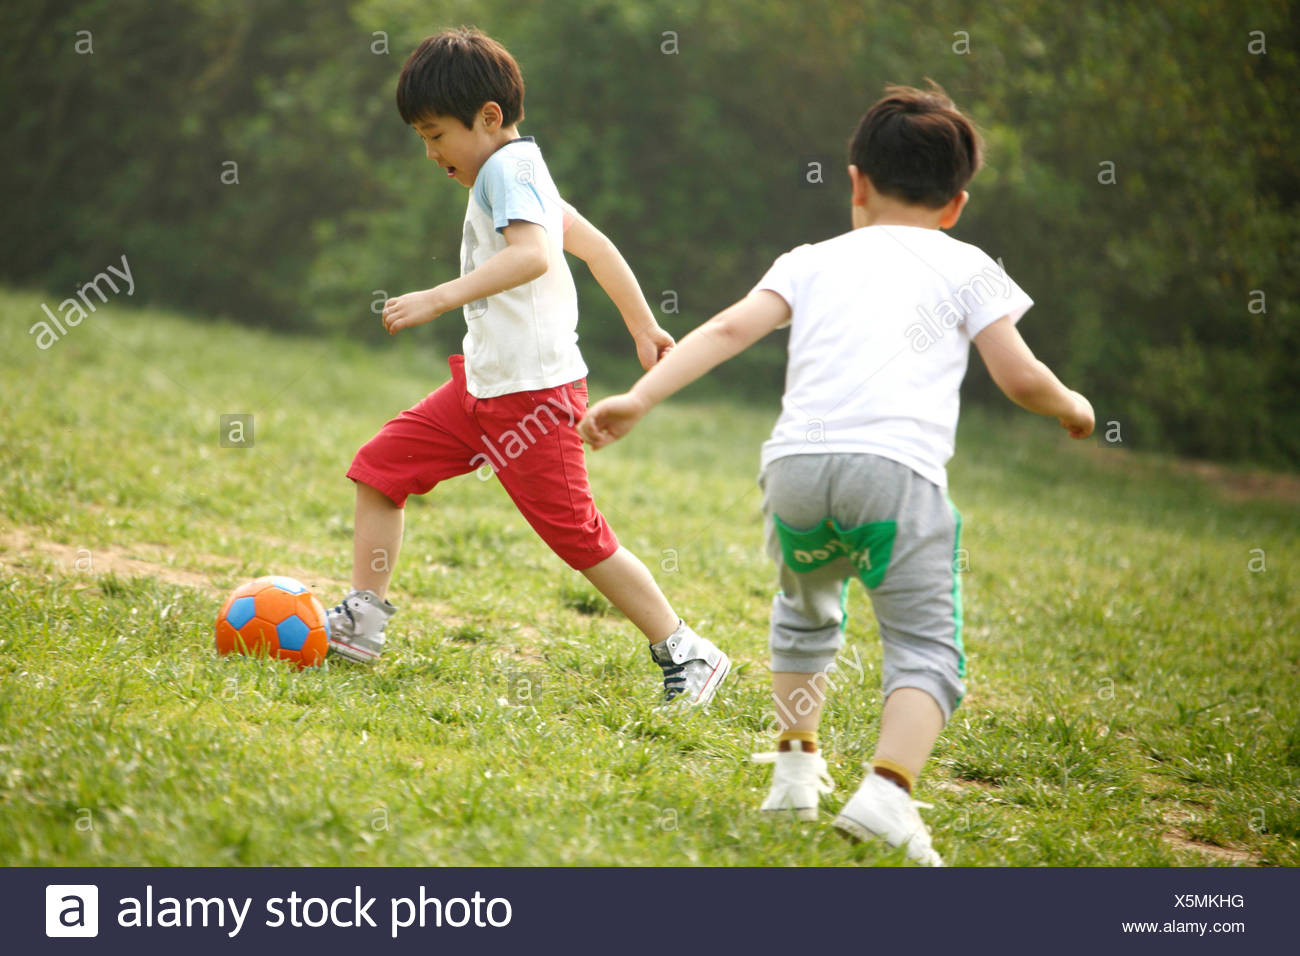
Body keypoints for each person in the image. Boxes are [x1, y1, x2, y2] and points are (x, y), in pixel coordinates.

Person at [579, 82, 1094, 863]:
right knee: (925, 647)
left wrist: (641, 396)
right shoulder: (970, 266)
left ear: (855, 182)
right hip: (895, 476)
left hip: (795, 472)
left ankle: (794, 771)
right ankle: (888, 792)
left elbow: (724, 328)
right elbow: (1020, 379)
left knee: (806, 610)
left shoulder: (810, 260)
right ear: (956, 203)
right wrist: (1073, 405)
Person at [326, 27, 730, 709]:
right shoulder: (517, 171)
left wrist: (437, 297)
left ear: (487, 118)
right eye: (421, 139)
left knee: (579, 537)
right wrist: (641, 326)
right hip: (480, 390)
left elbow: (536, 257)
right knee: (380, 469)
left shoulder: (511, 171)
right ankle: (364, 619)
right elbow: (595, 248)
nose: (430, 153)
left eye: (435, 134)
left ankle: (688, 650)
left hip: (533, 398)